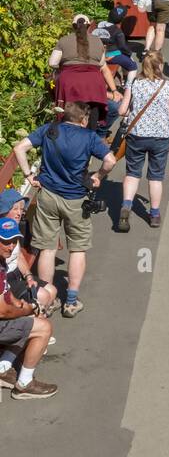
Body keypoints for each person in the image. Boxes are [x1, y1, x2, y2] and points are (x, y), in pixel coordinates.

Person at [13, 101, 117, 317]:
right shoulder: (89, 138)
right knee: (77, 248)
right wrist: (98, 176)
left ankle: (47, 298)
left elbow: (19, 148)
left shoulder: (49, 130)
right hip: (76, 199)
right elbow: (110, 160)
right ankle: (71, 301)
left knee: (47, 248)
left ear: (64, 116)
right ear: (84, 119)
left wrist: (29, 176)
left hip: (48, 195)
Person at [117, 51, 169, 230]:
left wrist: (131, 111)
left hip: (136, 134)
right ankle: (154, 214)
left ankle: (126, 205)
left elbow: (122, 110)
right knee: (155, 176)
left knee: (132, 173)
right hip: (161, 137)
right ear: (160, 65)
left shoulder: (135, 83)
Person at [0, 219, 57, 400]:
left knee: (28, 319)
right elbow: (3, 312)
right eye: (5, 242)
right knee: (43, 328)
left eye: (13, 242)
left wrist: (22, 305)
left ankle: (3, 367)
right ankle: (24, 384)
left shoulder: (2, 262)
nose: (10, 247)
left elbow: (7, 296)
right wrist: (27, 309)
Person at [49, 15, 122, 128]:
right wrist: (114, 90)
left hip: (70, 81)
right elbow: (102, 65)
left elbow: (52, 62)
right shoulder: (97, 41)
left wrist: (64, 66)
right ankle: (91, 133)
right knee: (93, 109)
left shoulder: (63, 40)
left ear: (73, 26)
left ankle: (68, 135)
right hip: (93, 82)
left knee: (68, 112)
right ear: (88, 26)